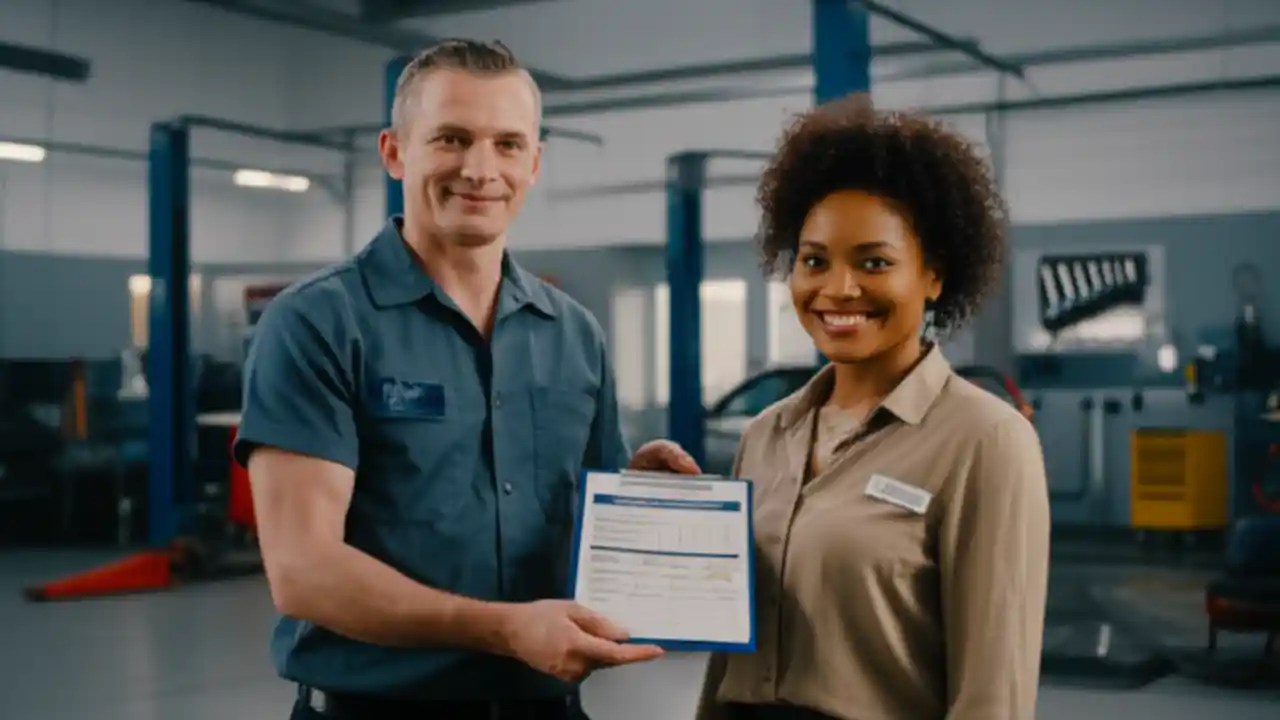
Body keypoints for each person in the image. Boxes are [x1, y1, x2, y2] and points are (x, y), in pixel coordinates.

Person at [234, 39, 700, 720]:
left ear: (534, 163)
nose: (481, 170)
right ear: (395, 152)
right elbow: (305, 573)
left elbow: (576, 534)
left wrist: (637, 503)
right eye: (452, 138)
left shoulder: (573, 333)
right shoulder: (319, 322)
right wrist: (503, 629)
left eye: (508, 145)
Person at [696, 99, 1051, 720]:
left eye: (874, 262)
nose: (838, 289)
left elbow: (994, 693)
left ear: (934, 275)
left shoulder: (985, 441)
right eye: (814, 261)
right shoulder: (765, 435)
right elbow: (727, 656)